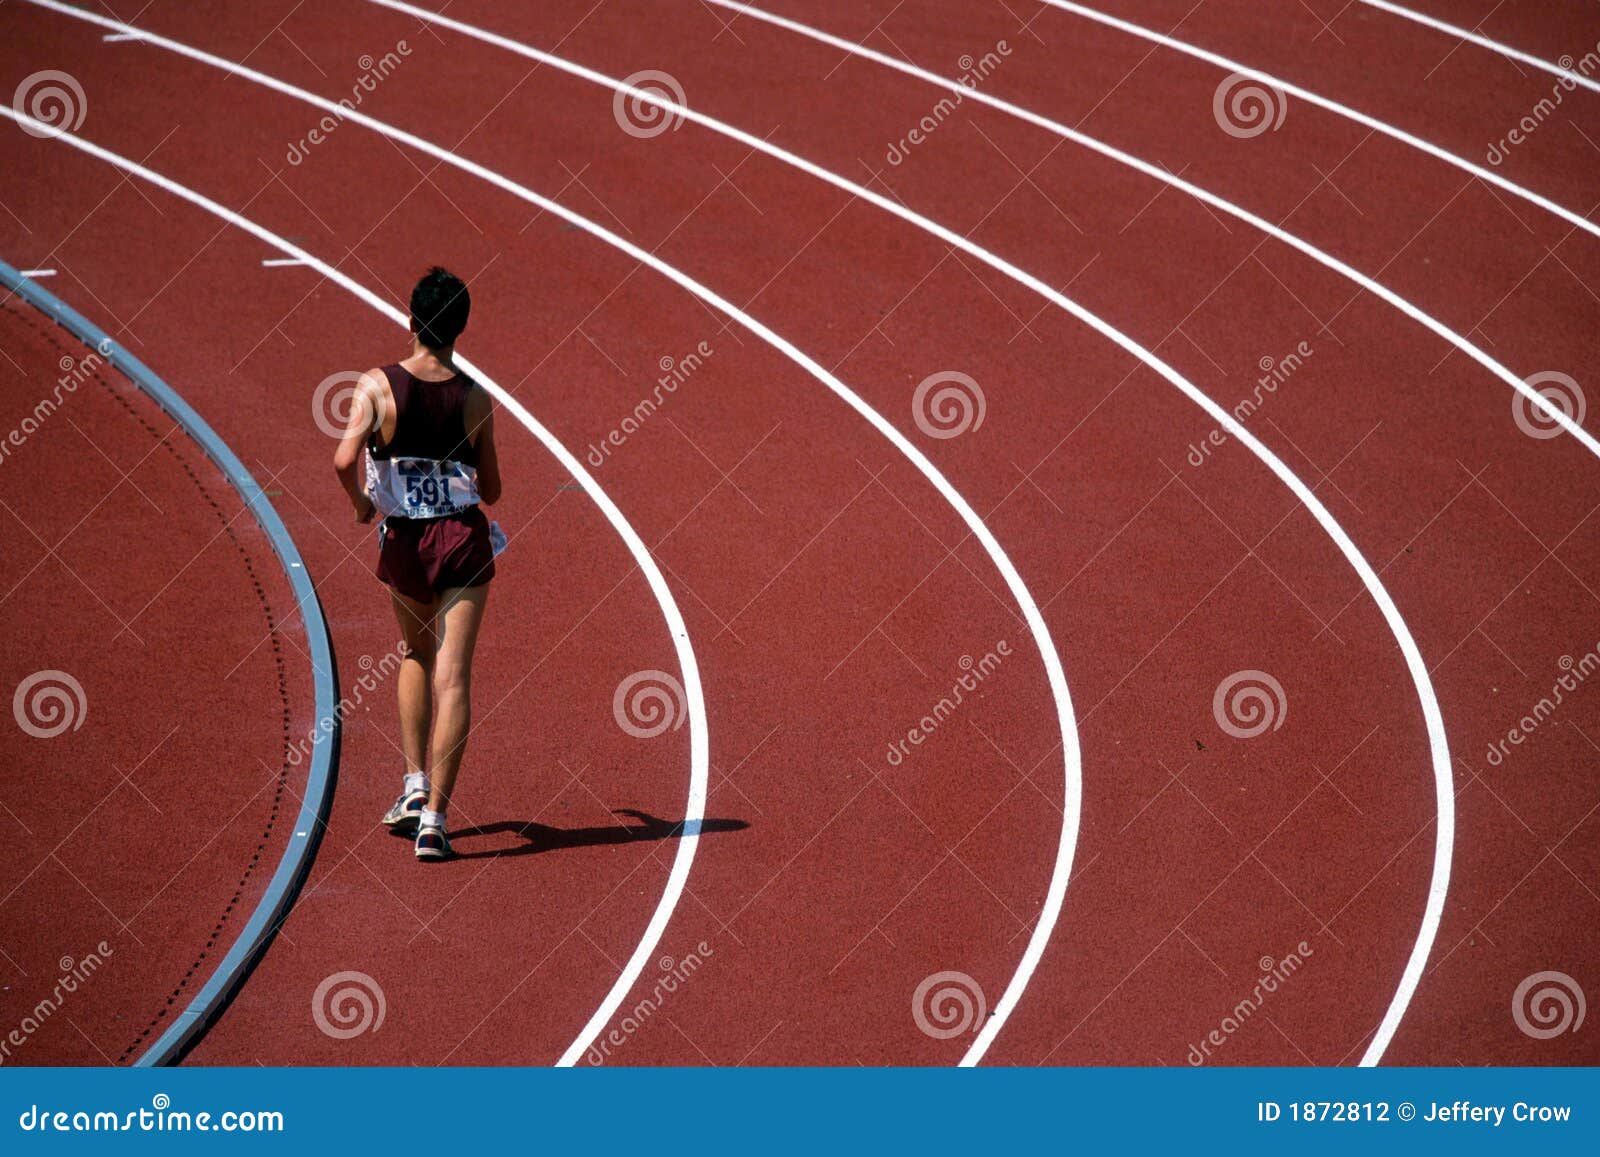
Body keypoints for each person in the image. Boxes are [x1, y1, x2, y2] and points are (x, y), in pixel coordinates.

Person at [332, 267, 501, 860]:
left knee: (413, 653)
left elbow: (343, 456)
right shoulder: (475, 397)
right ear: (461, 328)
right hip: (459, 539)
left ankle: (413, 787)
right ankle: (435, 822)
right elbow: (494, 489)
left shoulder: (377, 386)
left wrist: (360, 505)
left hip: (403, 541)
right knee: (454, 675)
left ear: (411, 320)